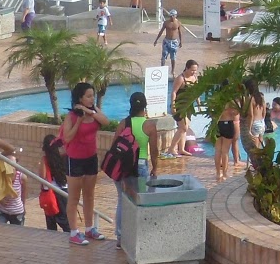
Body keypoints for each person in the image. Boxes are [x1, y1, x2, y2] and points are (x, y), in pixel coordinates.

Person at [60, 82, 113, 245]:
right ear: (80, 98)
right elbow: (67, 138)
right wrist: (79, 121)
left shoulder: (94, 111)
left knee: (89, 195)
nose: (92, 99)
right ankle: (74, 232)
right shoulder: (71, 117)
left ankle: (90, 229)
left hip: (91, 157)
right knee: (74, 197)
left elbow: (106, 122)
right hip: (74, 159)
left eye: (93, 96)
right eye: (88, 96)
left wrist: (90, 111)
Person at [113, 90, 160, 247]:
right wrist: (155, 168)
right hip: (140, 166)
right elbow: (154, 151)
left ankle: (120, 237)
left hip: (122, 167)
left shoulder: (123, 123)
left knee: (122, 200)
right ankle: (138, 236)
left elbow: (114, 147)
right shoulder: (149, 125)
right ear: (145, 107)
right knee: (140, 201)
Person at [168, 59, 202, 157]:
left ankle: (181, 149)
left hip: (188, 106)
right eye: (192, 70)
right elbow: (174, 92)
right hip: (179, 106)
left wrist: (199, 105)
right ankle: (171, 149)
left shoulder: (194, 78)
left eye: (195, 70)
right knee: (183, 127)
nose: (194, 72)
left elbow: (196, 93)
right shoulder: (181, 78)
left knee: (184, 129)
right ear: (186, 68)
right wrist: (173, 105)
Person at [40, 134, 71, 231]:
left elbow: (42, 176)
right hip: (63, 191)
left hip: (50, 192)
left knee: (51, 222)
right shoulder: (63, 158)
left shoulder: (45, 160)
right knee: (65, 221)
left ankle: (52, 242)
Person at [213, 97, 239, 181]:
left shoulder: (215, 100)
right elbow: (235, 113)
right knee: (225, 151)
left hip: (217, 124)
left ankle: (217, 173)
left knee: (217, 151)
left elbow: (211, 114)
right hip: (228, 124)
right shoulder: (231, 101)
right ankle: (224, 174)